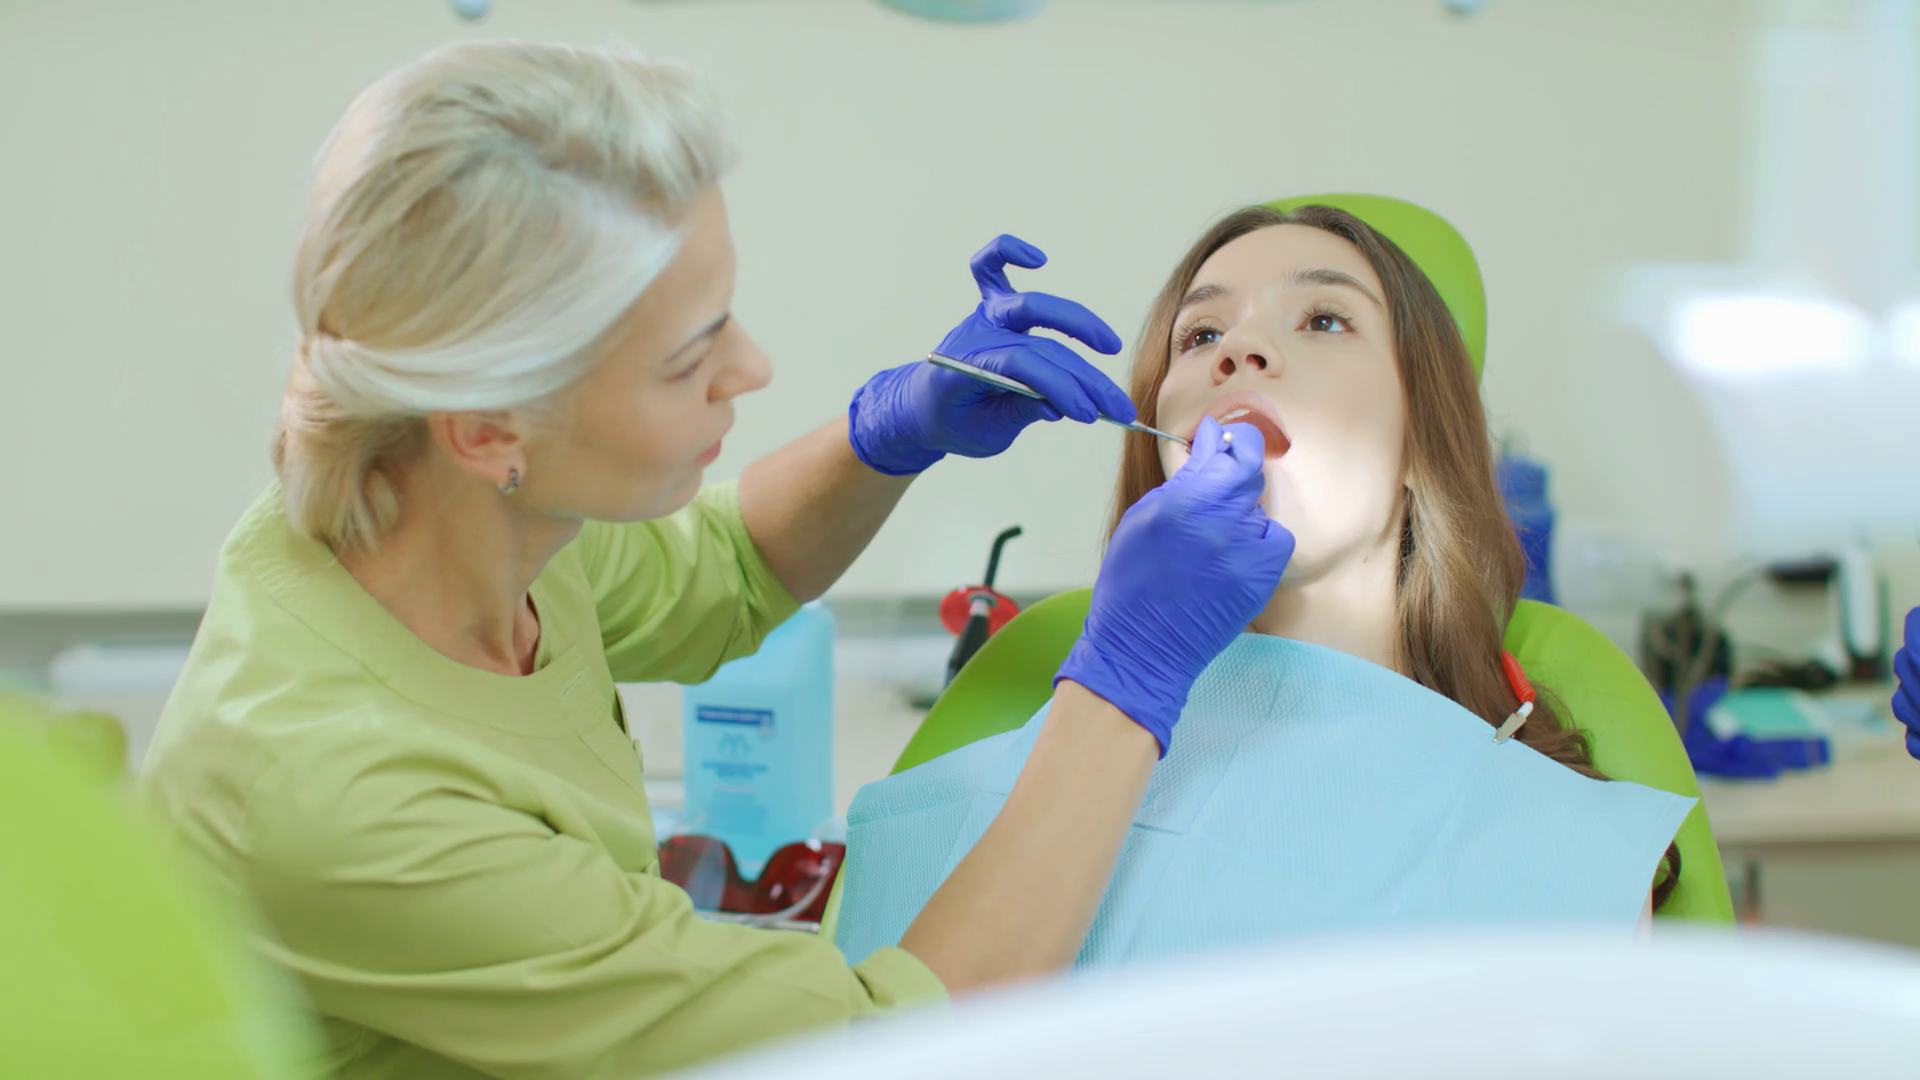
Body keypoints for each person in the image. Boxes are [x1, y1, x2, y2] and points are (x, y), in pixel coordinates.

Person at [138, 41, 1289, 1080]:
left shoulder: (422, 513)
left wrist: (890, 435)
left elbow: (727, 572)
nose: (754, 366)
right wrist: (1133, 671)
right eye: (692, 358)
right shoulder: (349, 802)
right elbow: (895, 1053)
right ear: (491, 429)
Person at [834, 204, 1690, 968]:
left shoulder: (1567, 861)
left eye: (1324, 320)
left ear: (1425, 439)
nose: (1239, 351)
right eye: (1200, 336)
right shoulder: (971, 804)